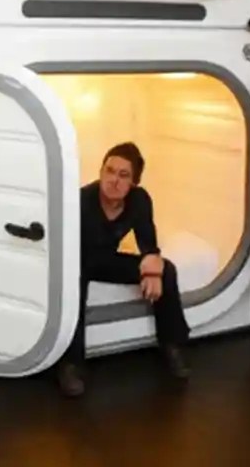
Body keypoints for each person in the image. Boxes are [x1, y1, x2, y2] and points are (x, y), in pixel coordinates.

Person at [56, 142, 190, 398]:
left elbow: (148, 245)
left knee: (167, 270)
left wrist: (152, 270)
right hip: (76, 261)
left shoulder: (139, 200)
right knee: (75, 279)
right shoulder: (82, 200)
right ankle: (71, 364)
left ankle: (172, 346)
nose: (113, 180)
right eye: (109, 171)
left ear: (133, 183)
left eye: (123, 175)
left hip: (107, 260)